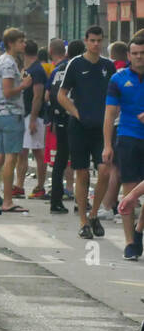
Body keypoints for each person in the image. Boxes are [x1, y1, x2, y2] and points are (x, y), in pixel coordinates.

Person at [59, 25, 117, 239]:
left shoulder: (108, 66)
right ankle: (83, 220)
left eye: (99, 40)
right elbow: (61, 95)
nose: (95, 44)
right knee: (81, 172)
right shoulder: (75, 64)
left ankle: (94, 213)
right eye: (92, 40)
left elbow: (117, 95)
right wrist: (76, 113)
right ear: (85, 41)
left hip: (102, 128)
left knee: (104, 170)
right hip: (79, 128)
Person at [102, 33, 144, 261]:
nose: (139, 58)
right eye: (135, 54)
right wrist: (107, 145)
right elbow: (109, 115)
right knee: (130, 193)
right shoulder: (118, 79)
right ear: (128, 55)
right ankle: (129, 242)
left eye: (142, 54)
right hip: (128, 138)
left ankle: (139, 230)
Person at [0, 27, 31, 213]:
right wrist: (24, 85)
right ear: (11, 43)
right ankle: (7, 201)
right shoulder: (9, 63)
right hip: (11, 114)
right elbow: (7, 90)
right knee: (10, 158)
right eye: (21, 41)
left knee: (1, 155)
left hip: (1, 113)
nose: (24, 44)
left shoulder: (0, 61)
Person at [47, 37, 78, 215]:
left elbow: (48, 94)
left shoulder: (57, 70)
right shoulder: (79, 69)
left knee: (60, 160)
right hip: (75, 119)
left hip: (58, 119)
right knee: (80, 162)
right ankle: (80, 202)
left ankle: (55, 201)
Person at [19, 38, 49, 199]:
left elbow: (38, 96)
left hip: (34, 116)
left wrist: (32, 119)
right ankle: (19, 184)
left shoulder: (37, 70)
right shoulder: (26, 68)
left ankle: (40, 186)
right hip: (25, 114)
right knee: (22, 152)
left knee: (37, 151)